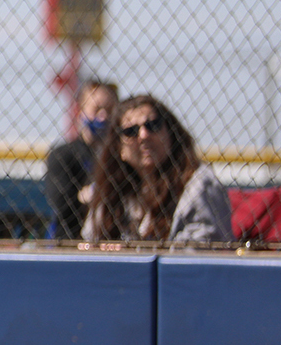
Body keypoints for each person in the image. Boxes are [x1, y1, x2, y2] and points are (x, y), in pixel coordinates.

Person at [82, 94, 233, 247]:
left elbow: (199, 253)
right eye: (131, 131)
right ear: (119, 148)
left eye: (153, 125)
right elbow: (89, 242)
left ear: (170, 133)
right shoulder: (112, 191)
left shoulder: (199, 185)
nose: (143, 135)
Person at [43, 79, 118, 241]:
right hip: (70, 238)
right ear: (80, 112)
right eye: (96, 109)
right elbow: (61, 202)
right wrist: (85, 197)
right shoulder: (63, 155)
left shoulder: (120, 155)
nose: (103, 117)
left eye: (109, 110)